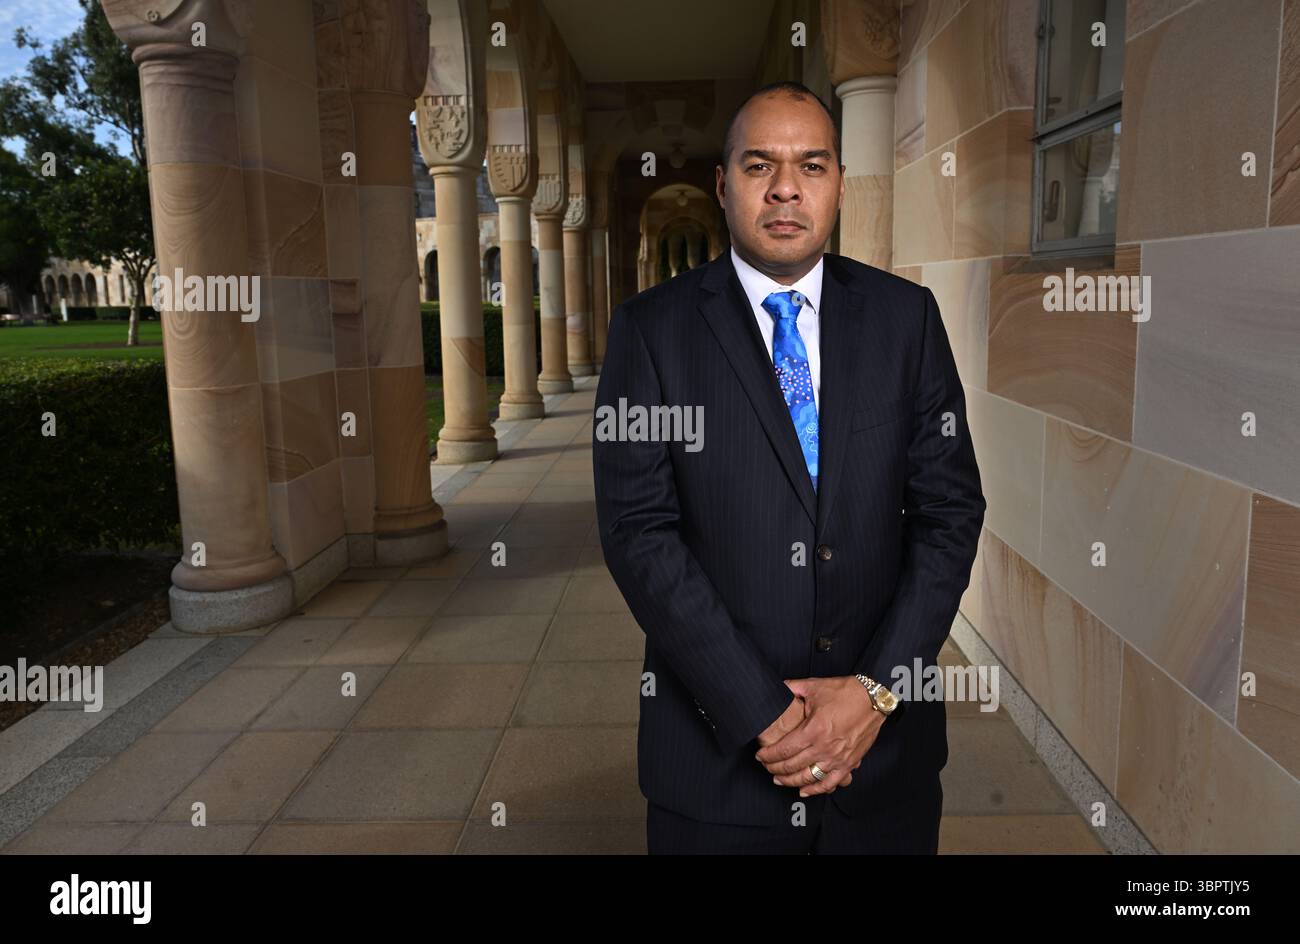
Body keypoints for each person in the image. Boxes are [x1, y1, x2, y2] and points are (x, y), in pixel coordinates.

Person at [592, 80, 985, 854]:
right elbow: (640, 536)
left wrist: (875, 694)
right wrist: (767, 717)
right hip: (717, 766)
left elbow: (949, 515)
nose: (785, 188)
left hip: (885, 761)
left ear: (838, 182)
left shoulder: (907, 320)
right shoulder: (651, 331)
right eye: (758, 165)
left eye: (811, 164)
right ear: (723, 183)